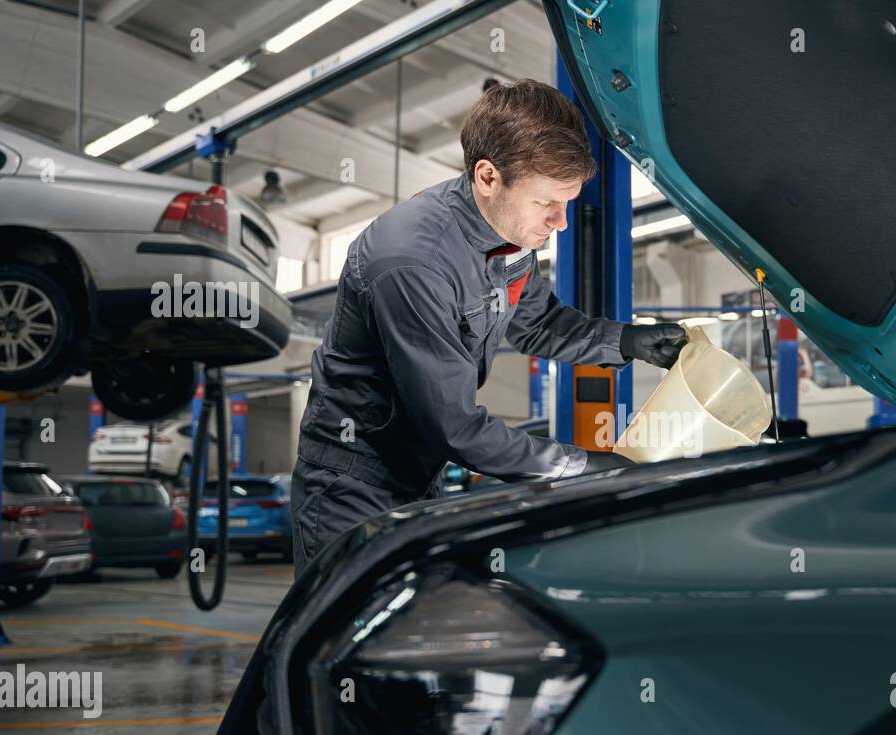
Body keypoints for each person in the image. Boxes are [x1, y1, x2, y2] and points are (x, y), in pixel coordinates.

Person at [290, 78, 686, 572]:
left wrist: (626, 340)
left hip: (418, 473)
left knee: (413, 630)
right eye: (546, 203)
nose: (560, 222)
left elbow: (537, 323)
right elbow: (452, 426)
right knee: (346, 638)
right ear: (487, 176)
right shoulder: (414, 262)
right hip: (351, 482)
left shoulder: (510, 237)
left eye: (568, 203)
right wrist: (580, 466)